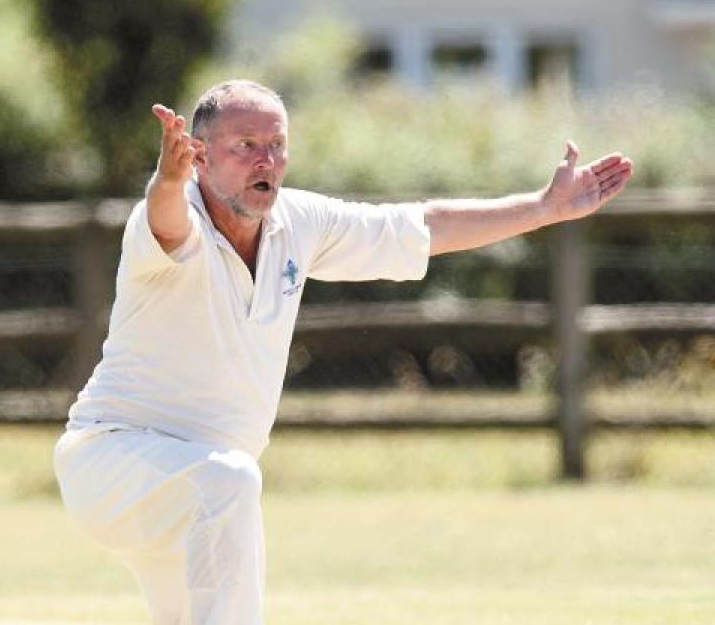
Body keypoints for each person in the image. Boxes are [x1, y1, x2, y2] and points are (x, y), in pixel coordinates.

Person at [53, 79, 634, 624]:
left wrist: (543, 208)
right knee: (231, 482)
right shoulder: (166, 219)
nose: (266, 160)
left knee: (222, 506)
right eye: (246, 145)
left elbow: (419, 227)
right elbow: (168, 219)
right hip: (113, 461)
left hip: (194, 496)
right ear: (198, 155)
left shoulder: (299, 222)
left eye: (277, 144)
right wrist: (168, 180)